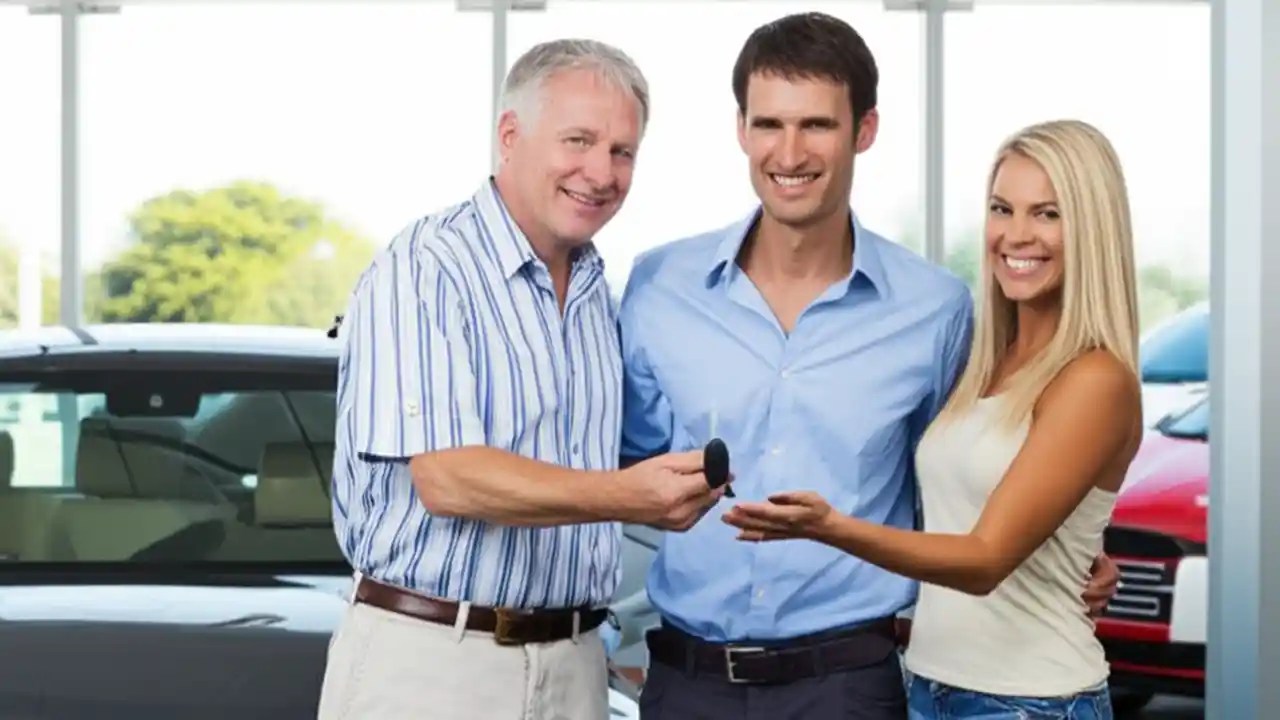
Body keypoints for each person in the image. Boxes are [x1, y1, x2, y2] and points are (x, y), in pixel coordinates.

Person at [617, 13, 1118, 720]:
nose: (789, 152)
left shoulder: (936, 311)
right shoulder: (657, 285)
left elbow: (964, 478)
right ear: (741, 129)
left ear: (865, 130)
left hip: (850, 687)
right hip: (685, 681)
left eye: (817, 125)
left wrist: (1075, 554)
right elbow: (623, 474)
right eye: (768, 124)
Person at [317, 39, 723, 720]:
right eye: (579, 140)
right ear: (511, 135)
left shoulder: (598, 292)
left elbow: (606, 460)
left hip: (575, 664)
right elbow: (447, 477)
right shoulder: (426, 267)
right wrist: (626, 496)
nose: (601, 172)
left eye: (622, 151)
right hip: (431, 664)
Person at [724, 119, 1140, 719]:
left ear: (1092, 231)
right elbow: (960, 512)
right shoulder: (984, 362)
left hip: (1030, 702)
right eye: (1003, 209)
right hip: (930, 686)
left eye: (1047, 214)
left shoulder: (1095, 380)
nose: (1016, 235)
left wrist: (828, 526)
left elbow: (984, 559)